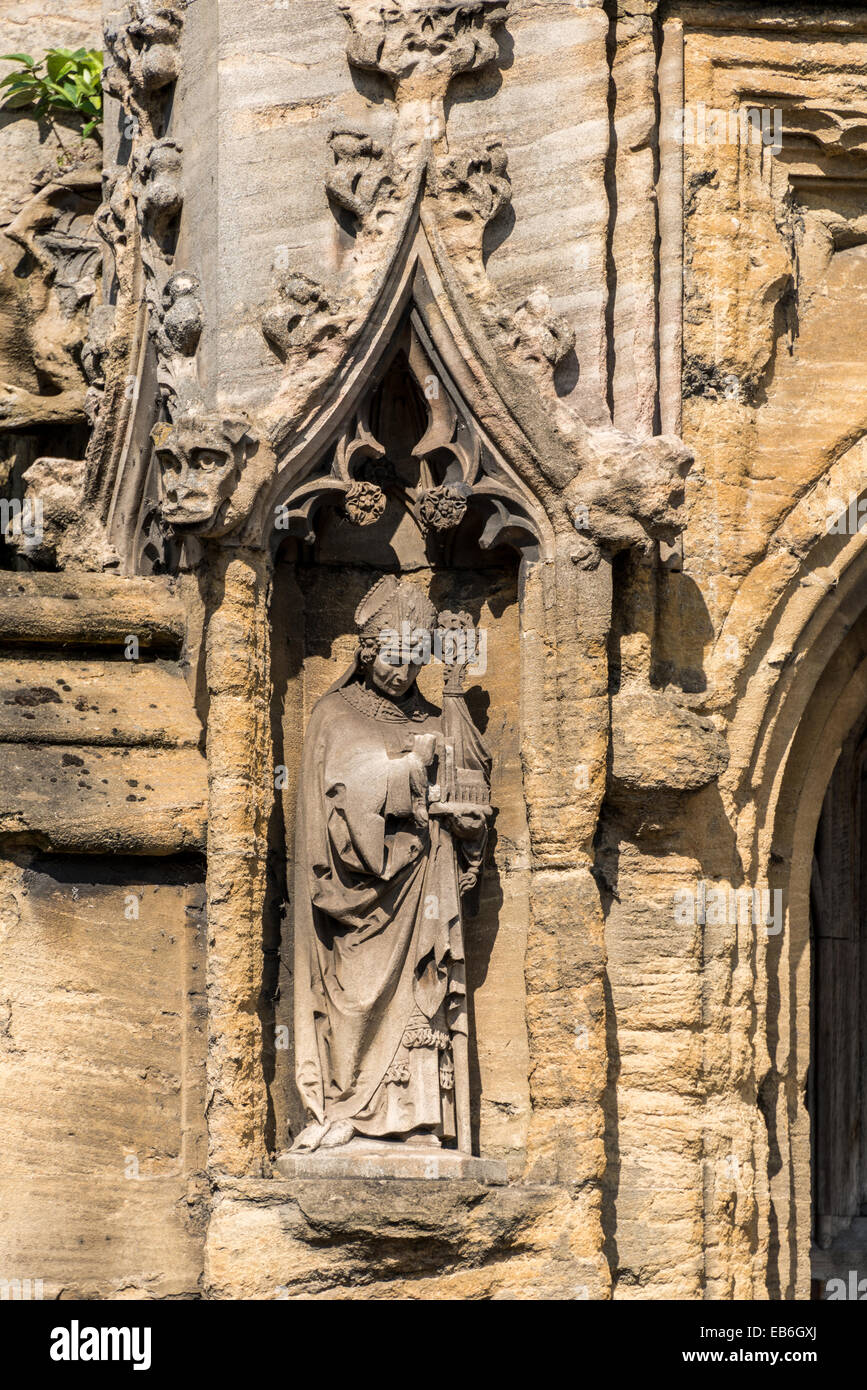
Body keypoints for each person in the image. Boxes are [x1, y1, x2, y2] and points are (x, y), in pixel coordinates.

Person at [291, 576, 489, 1152]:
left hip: (425, 889)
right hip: (360, 900)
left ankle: (418, 1122)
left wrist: (467, 824)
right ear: (367, 651)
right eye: (392, 660)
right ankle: (346, 1106)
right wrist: (406, 771)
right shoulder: (334, 714)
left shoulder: (437, 718)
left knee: (423, 992)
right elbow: (339, 798)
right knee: (353, 998)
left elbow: (468, 791)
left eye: (414, 662)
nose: (402, 674)